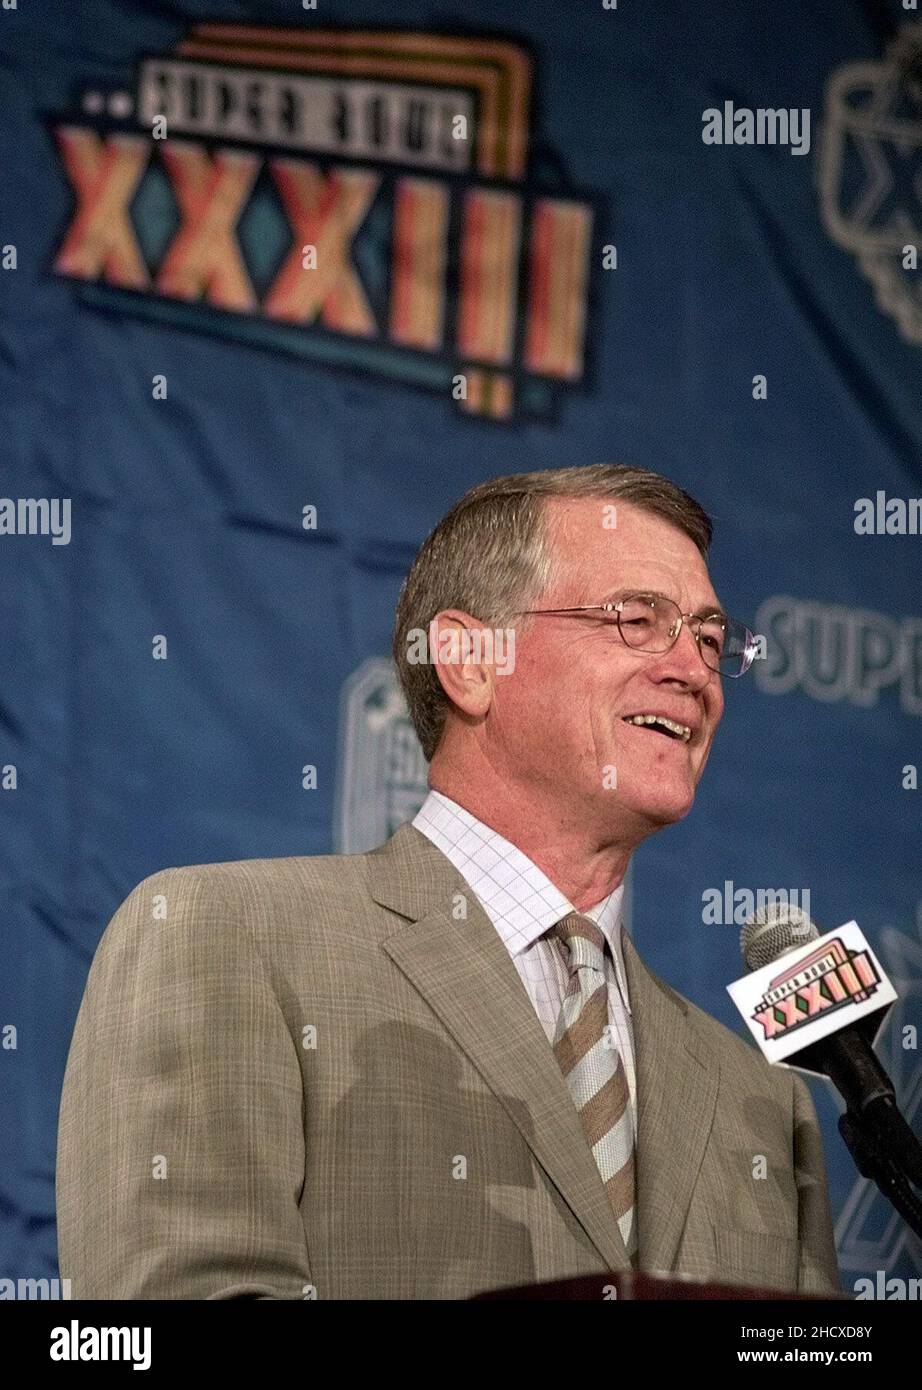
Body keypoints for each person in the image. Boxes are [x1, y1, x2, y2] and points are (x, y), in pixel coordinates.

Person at [56, 464, 841, 1298]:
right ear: (469, 661)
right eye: (637, 621)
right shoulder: (224, 938)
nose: (693, 669)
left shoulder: (761, 1098)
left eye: (712, 640)